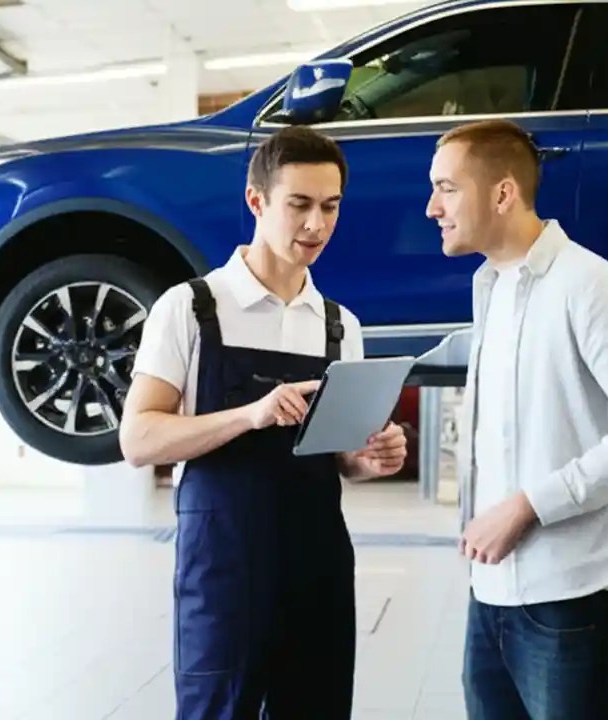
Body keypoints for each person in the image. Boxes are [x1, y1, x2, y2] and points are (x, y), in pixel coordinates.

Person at [120, 125, 408, 719]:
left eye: (330, 207)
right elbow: (139, 438)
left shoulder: (338, 325)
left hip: (318, 564)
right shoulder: (192, 309)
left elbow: (342, 458)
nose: (316, 225)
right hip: (223, 570)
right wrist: (250, 415)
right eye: (299, 205)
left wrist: (368, 456)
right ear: (257, 201)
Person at [425, 118, 608, 719]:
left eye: (447, 188)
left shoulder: (589, 284)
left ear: (502, 193)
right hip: (491, 592)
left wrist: (525, 506)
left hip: (576, 594)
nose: (432, 206)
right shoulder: (490, 286)